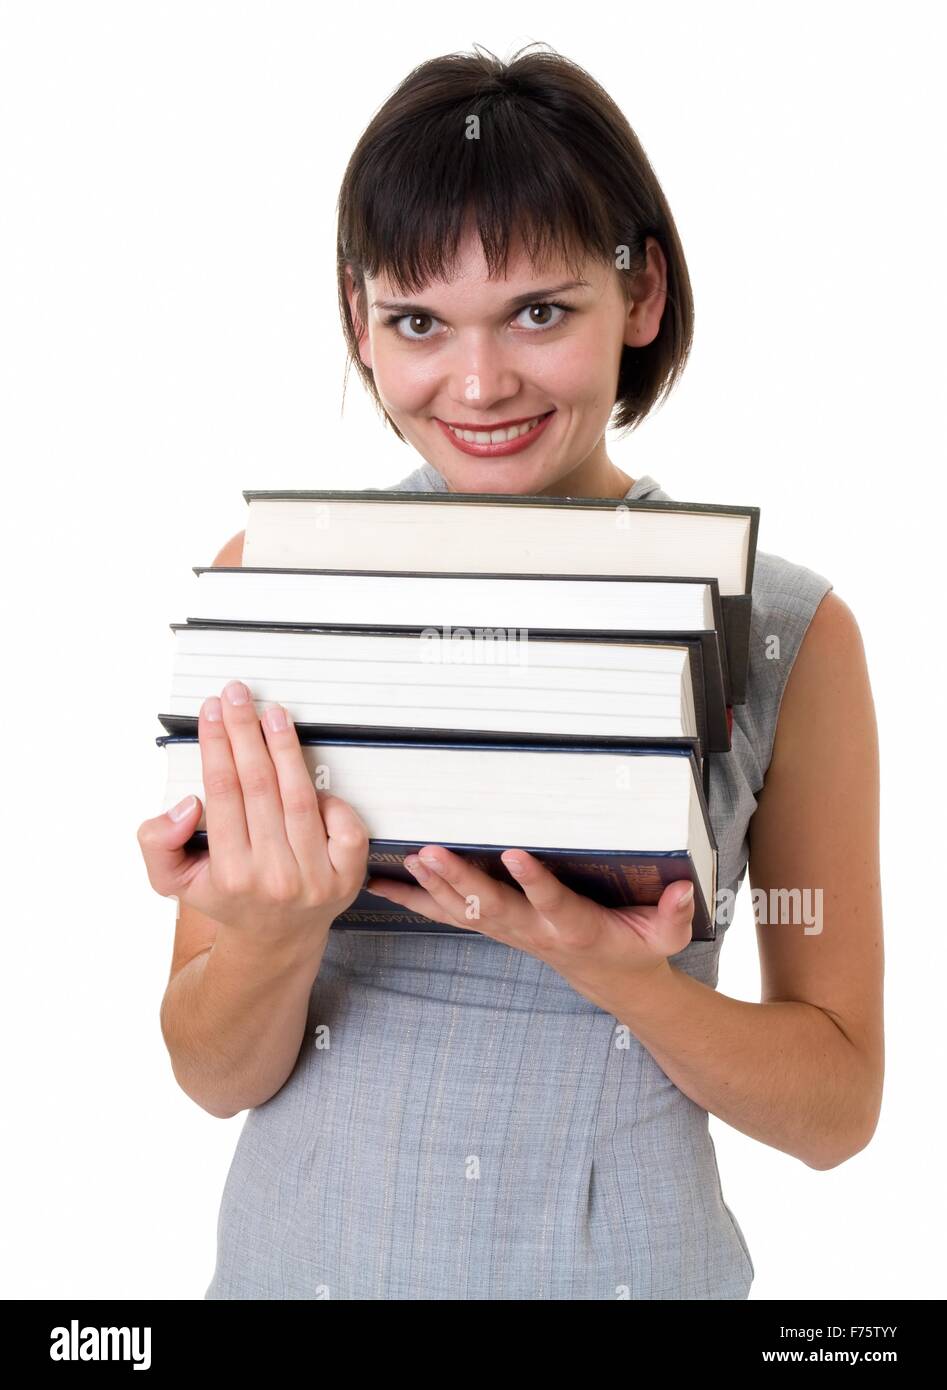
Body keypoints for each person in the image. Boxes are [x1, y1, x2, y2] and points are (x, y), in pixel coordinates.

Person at [137, 43, 883, 1300]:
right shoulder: (274, 582)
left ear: (639, 294)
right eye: (417, 322)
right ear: (359, 320)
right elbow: (211, 1077)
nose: (478, 386)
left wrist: (616, 974)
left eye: (539, 312)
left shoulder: (785, 632)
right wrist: (274, 934)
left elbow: (835, 1109)